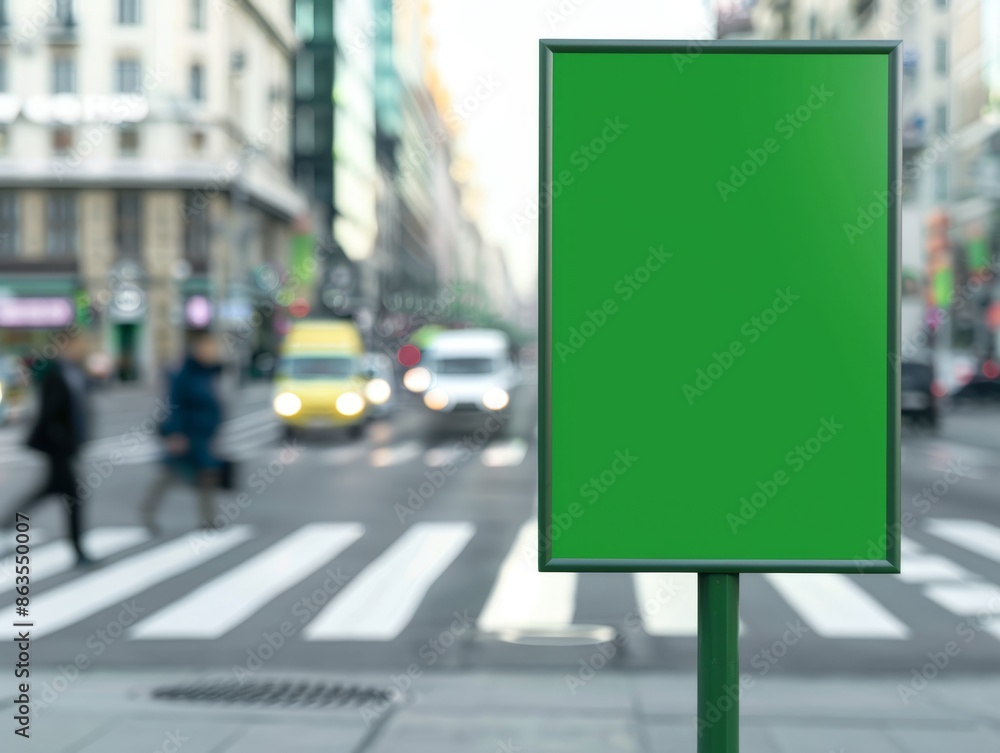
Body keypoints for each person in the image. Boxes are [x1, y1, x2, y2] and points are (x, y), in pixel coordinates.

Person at [10, 328, 94, 566]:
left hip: (67, 446)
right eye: (78, 344)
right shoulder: (54, 373)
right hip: (59, 448)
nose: (82, 348)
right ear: (64, 346)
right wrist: (62, 442)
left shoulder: (74, 371)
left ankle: (7, 523)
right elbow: (49, 413)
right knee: (73, 497)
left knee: (51, 492)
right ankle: (78, 551)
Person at [140, 330, 225, 533]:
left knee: (206, 475)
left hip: (203, 435)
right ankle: (147, 511)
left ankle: (209, 519)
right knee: (170, 474)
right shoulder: (184, 374)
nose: (212, 351)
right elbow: (174, 405)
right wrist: (176, 433)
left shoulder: (206, 373)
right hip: (188, 435)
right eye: (207, 346)